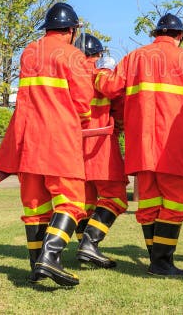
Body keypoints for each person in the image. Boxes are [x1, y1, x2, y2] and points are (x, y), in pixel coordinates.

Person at [95, 13, 183, 276]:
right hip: (172, 146)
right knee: (175, 203)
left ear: (155, 34)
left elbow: (108, 87)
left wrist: (101, 70)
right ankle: (162, 262)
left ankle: (156, 260)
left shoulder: (133, 57)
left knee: (149, 203)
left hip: (141, 147)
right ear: (180, 36)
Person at [0, 2, 93, 287]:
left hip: (26, 139)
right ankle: (50, 257)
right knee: (72, 201)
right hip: (58, 137)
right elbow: (83, 103)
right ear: (71, 30)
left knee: (35, 207)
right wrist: (82, 121)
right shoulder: (73, 55)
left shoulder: (29, 51)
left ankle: (37, 266)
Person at [72, 33, 127, 269]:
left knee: (84, 201)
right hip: (100, 143)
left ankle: (84, 246)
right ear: (97, 54)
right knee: (115, 197)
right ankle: (89, 244)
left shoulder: (69, 74)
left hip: (72, 145)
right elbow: (119, 103)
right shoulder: (100, 73)